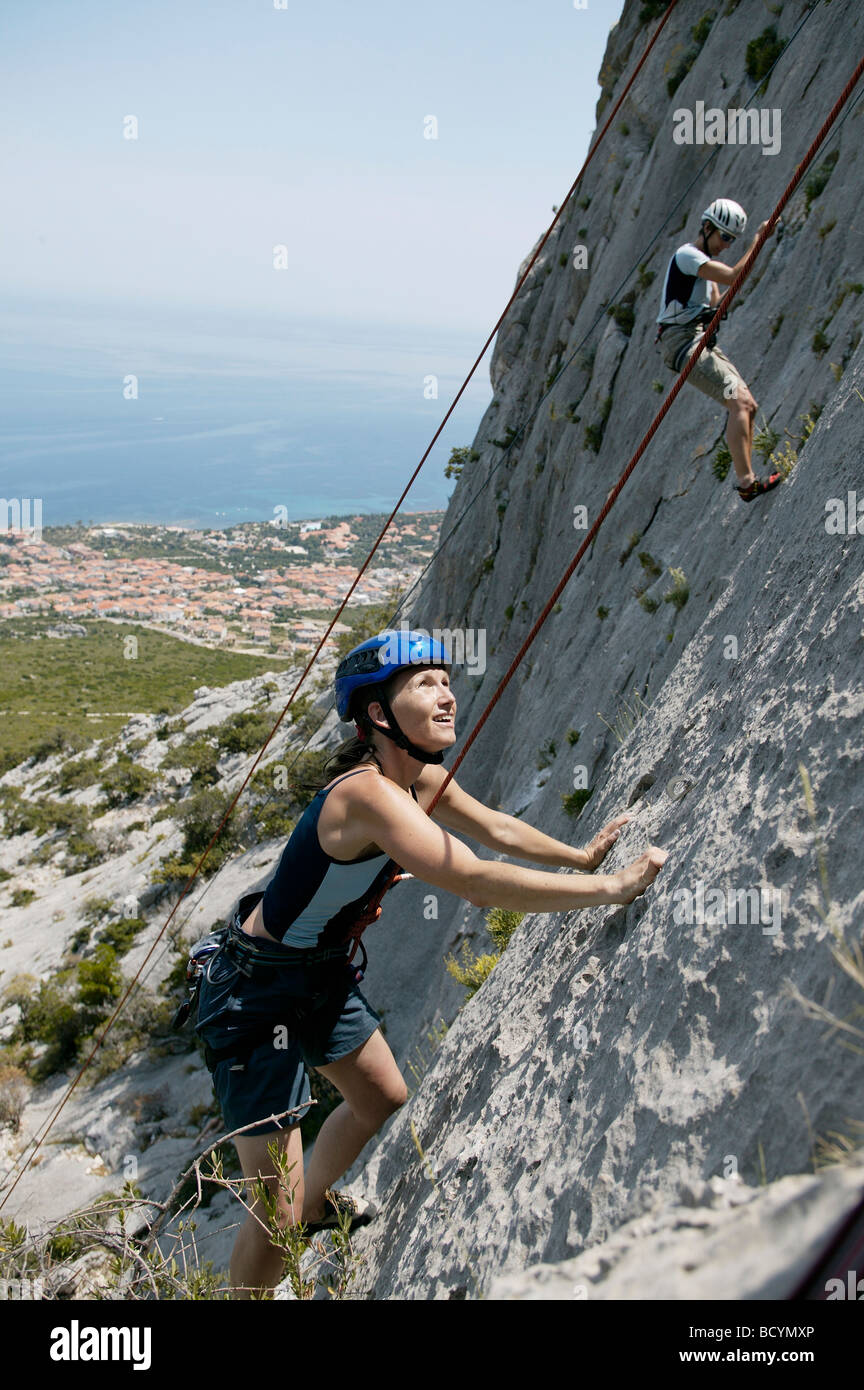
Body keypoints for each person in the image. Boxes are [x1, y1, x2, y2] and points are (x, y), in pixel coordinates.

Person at [195, 628, 668, 1298]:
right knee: (270, 1208)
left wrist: (582, 856)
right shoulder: (365, 795)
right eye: (426, 683)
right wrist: (608, 890)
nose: (448, 694)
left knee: (381, 1097)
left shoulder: (418, 779)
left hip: (317, 975)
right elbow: (474, 878)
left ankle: (309, 1207)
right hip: (252, 995)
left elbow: (497, 829)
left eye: (448, 681)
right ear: (380, 715)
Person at [655, 198, 781, 503]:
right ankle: (746, 483)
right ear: (707, 227)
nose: (727, 245)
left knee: (747, 404)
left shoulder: (703, 273)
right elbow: (733, 275)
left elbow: (718, 299)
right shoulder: (687, 256)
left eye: (732, 240)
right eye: (724, 237)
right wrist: (758, 241)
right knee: (739, 403)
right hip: (682, 342)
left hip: (694, 338)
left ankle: (748, 479)